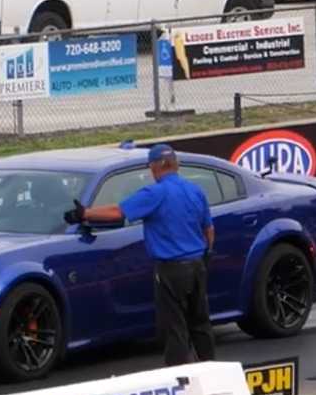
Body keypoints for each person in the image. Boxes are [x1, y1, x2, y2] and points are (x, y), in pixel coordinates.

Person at [69, 144, 216, 365]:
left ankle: (179, 378)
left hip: (171, 269)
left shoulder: (155, 193)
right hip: (197, 264)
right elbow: (209, 229)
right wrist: (205, 255)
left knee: (174, 326)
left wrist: (84, 213)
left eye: (150, 167)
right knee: (200, 323)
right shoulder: (195, 190)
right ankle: (212, 371)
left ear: (156, 166)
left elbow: (119, 212)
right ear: (175, 164)